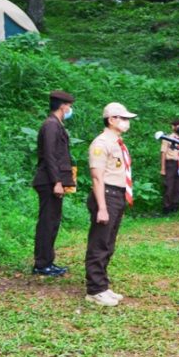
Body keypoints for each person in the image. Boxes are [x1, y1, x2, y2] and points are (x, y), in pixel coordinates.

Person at [84, 102, 137, 307]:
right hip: (105, 195)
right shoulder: (101, 143)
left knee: (108, 242)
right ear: (111, 119)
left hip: (117, 194)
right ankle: (95, 290)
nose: (126, 123)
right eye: (123, 119)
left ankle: (102, 285)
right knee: (99, 243)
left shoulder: (117, 142)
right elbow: (97, 178)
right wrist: (102, 207)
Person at [31, 90, 76, 277]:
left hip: (52, 180)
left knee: (52, 221)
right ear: (63, 106)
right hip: (49, 181)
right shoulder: (51, 125)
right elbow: (50, 155)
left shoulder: (56, 124)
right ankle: (42, 264)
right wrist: (56, 181)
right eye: (69, 106)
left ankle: (47, 261)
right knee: (48, 223)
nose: (70, 109)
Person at [160, 118, 179, 215]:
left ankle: (175, 207)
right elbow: (163, 153)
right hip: (170, 164)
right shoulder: (167, 138)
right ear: (173, 127)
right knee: (169, 186)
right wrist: (163, 168)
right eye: (178, 125)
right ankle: (166, 208)